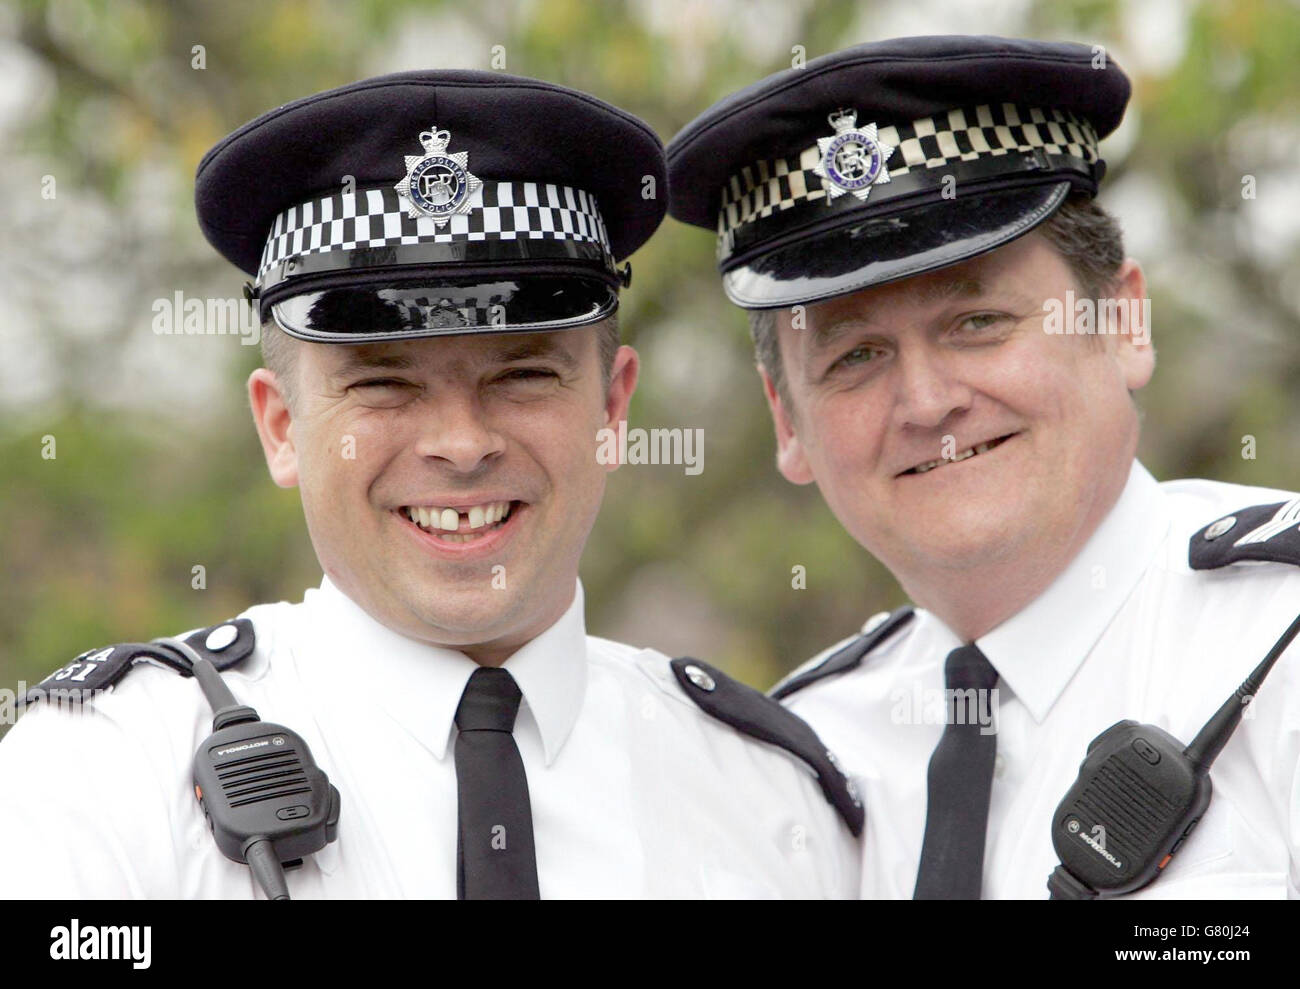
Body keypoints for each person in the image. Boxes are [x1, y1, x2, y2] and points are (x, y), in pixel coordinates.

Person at [0, 69, 860, 899]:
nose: (461, 443)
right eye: (384, 382)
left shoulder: (771, 797)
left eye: (522, 375)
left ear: (614, 405)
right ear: (281, 426)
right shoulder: (103, 778)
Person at [666, 35, 1300, 899]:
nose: (926, 402)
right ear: (788, 423)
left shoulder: (1279, 648)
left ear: (1122, 321)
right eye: (855, 356)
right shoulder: (799, 767)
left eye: (977, 323)